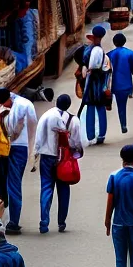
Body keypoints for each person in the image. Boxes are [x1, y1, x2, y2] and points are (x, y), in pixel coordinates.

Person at [33, 95, 84, 233]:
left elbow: (38, 138)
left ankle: (44, 222)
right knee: (63, 189)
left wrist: (35, 155)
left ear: (56, 103)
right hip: (64, 159)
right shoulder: (73, 120)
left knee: (46, 188)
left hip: (46, 157)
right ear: (68, 105)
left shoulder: (46, 116)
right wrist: (77, 152)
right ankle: (61, 222)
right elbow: (76, 141)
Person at [0, 88, 36, 234]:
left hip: (15, 147)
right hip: (18, 147)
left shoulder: (20, 106)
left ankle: (13, 221)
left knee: (13, 183)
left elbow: (18, 129)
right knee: (13, 183)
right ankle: (12, 219)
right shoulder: (23, 104)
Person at [77, 24, 112, 144]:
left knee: (91, 107)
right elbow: (105, 70)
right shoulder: (100, 52)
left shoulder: (90, 50)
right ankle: (101, 135)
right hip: (99, 82)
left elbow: (88, 68)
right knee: (100, 108)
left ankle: (91, 135)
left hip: (91, 82)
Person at [107, 32, 133, 134]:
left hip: (113, 85)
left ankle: (121, 125)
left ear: (114, 42)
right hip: (126, 85)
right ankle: (125, 124)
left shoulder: (109, 54)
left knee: (116, 105)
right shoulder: (130, 53)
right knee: (123, 104)